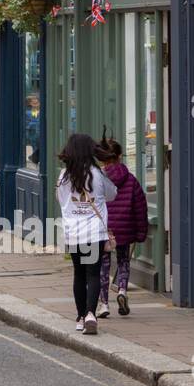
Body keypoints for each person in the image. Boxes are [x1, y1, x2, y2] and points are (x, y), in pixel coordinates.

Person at [56, 133, 118, 336]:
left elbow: (61, 200)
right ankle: (91, 313)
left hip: (73, 233)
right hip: (93, 233)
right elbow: (112, 194)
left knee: (78, 274)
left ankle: (80, 317)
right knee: (94, 274)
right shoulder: (97, 174)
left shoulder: (63, 176)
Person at [96, 134, 148, 318]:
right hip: (125, 227)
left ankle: (103, 304)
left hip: (104, 228)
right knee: (124, 260)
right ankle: (122, 291)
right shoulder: (131, 179)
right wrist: (141, 232)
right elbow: (140, 206)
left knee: (103, 264)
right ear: (120, 156)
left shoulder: (98, 179)